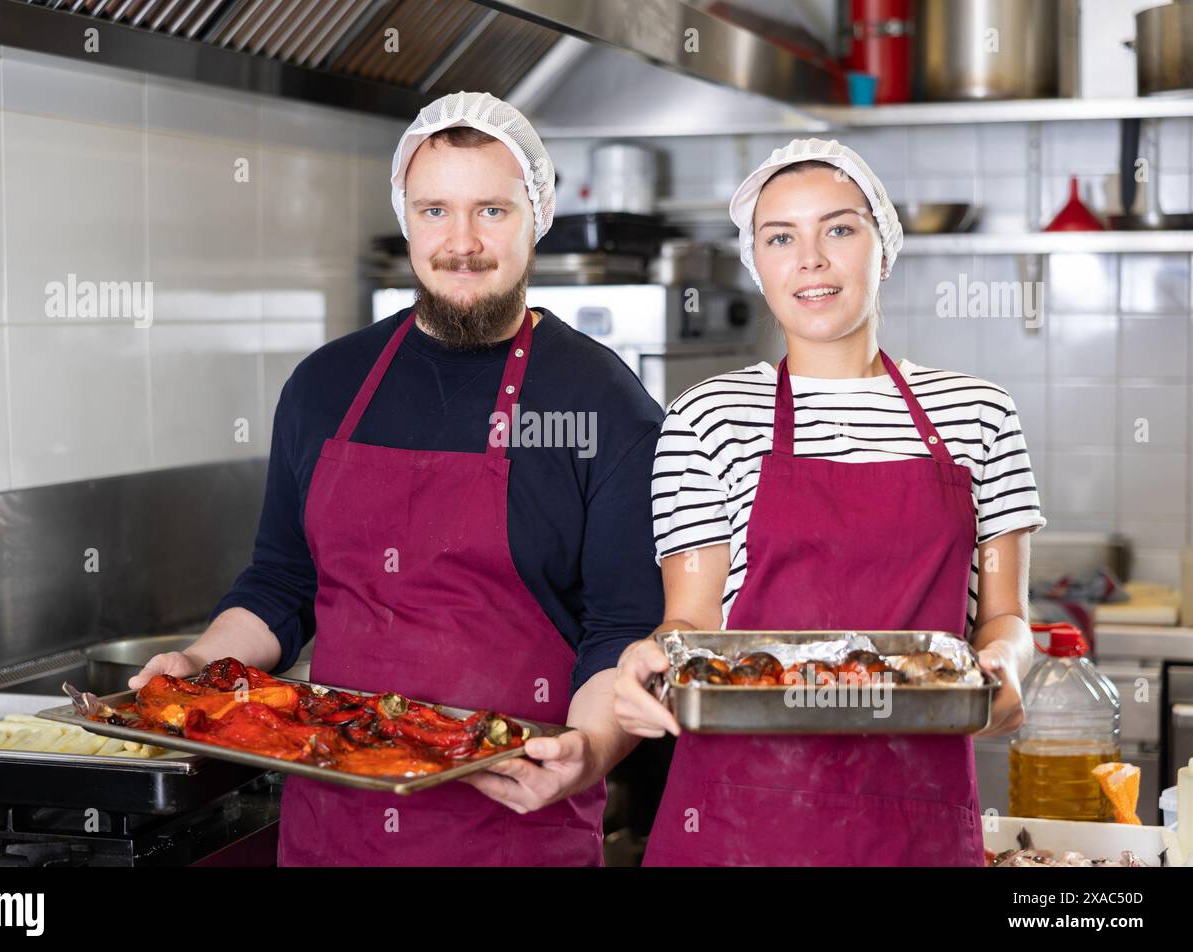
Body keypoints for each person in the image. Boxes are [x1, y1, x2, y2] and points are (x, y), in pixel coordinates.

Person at [130, 91, 664, 866]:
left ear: (537, 216)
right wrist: (201, 668)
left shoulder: (602, 402)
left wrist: (588, 749)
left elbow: (619, 629)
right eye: (435, 211)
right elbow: (282, 583)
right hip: (333, 836)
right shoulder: (326, 386)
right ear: (406, 218)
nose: (462, 243)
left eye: (492, 211)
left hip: (515, 830)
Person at [613, 138, 1046, 866]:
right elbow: (689, 623)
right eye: (781, 237)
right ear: (758, 265)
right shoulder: (707, 417)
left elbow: (1005, 618)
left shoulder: (980, 414)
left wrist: (1002, 665)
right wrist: (645, 661)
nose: (810, 259)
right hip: (738, 819)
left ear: (884, 246)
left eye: (839, 229)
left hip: (915, 817)